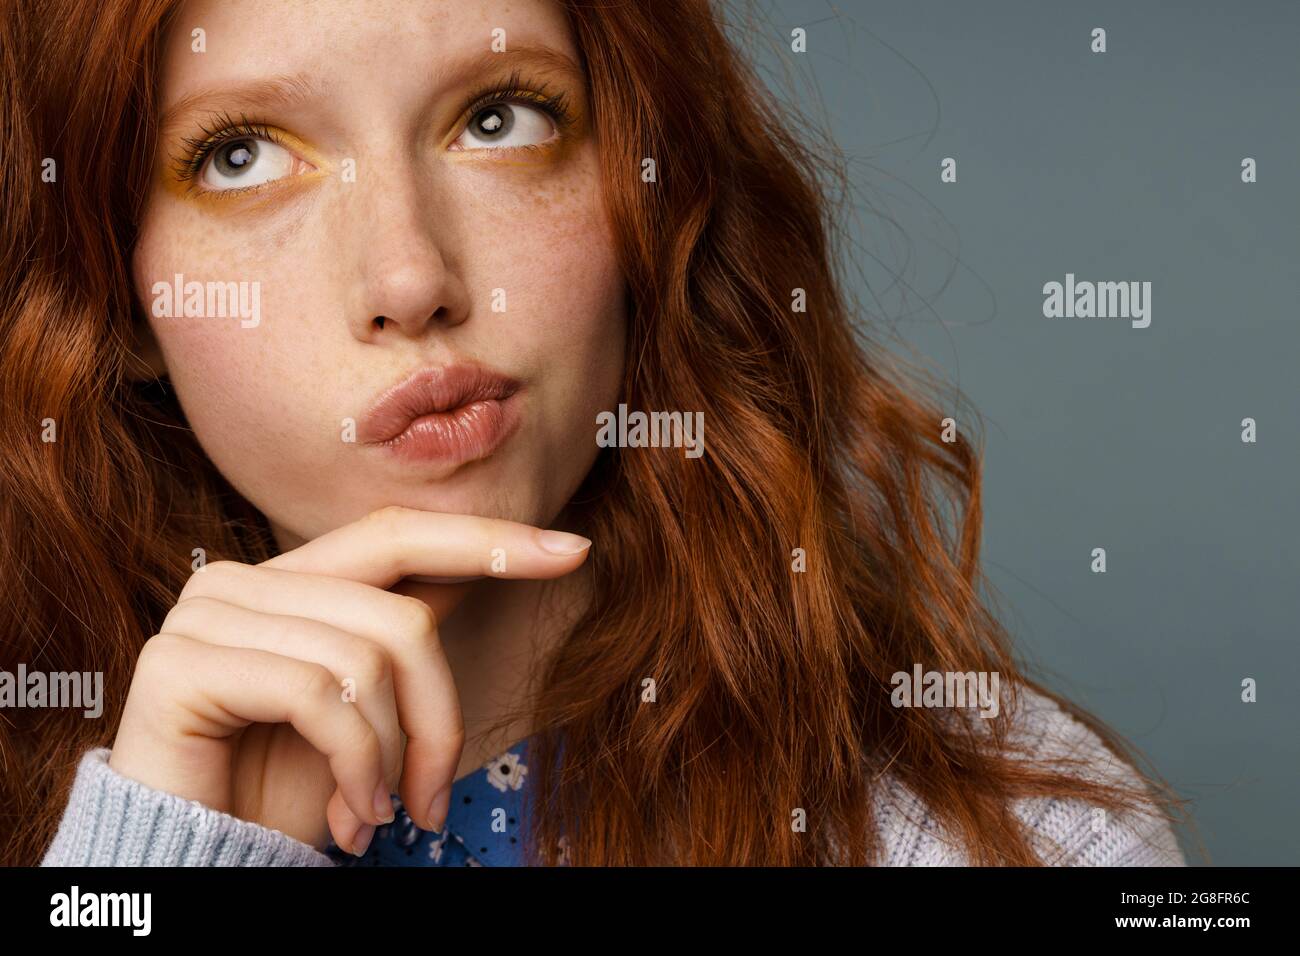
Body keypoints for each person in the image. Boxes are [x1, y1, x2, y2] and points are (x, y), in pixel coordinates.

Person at [2, 0, 1188, 867]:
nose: (409, 276)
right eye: (241, 154)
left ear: (644, 191)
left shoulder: (1016, 833)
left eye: (499, 117)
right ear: (119, 294)